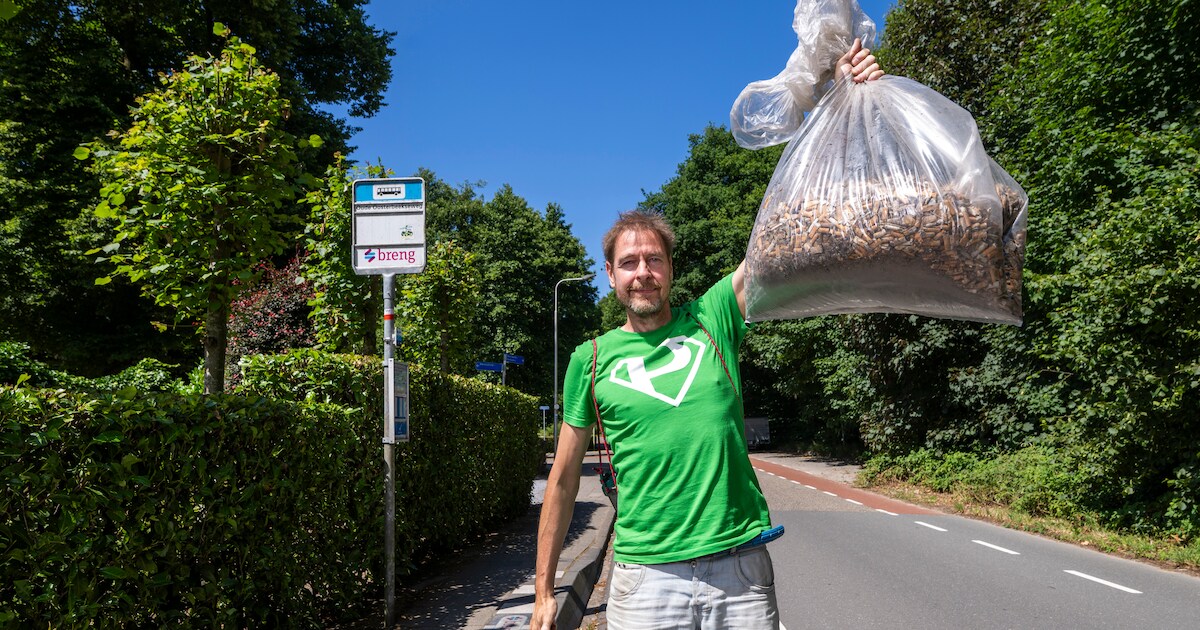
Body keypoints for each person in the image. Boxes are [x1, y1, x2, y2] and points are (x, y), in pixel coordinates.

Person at [531, 40, 883, 630]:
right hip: (646, 580)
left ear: (670, 267)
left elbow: (786, 221)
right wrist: (544, 590)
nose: (643, 271)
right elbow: (564, 480)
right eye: (629, 262)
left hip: (739, 572)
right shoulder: (590, 360)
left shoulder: (712, 317)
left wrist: (841, 98)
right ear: (611, 275)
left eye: (654, 259)